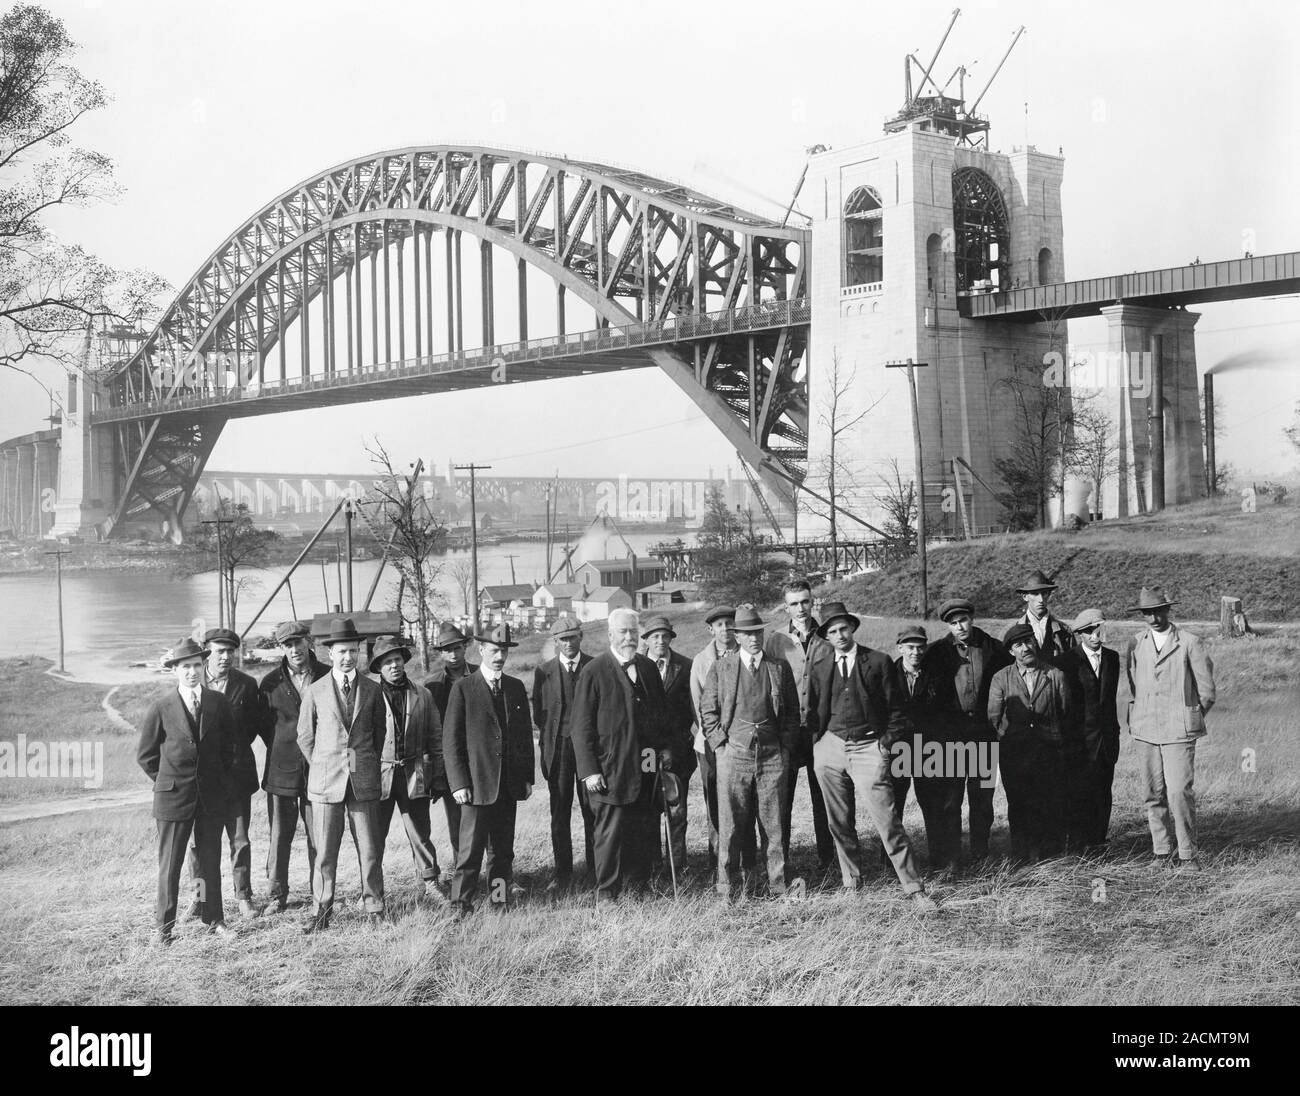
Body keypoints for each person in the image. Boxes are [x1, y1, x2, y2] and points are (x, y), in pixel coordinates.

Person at [806, 602, 938, 913]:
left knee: (888, 820)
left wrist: (884, 746)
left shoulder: (877, 662)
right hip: (831, 746)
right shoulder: (820, 666)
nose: (839, 635)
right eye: (832, 631)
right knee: (838, 821)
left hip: (869, 747)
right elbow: (812, 711)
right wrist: (819, 745)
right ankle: (852, 882)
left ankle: (913, 887)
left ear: (852, 629)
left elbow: (897, 711)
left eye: (843, 629)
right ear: (826, 635)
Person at [137, 637, 237, 944]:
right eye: (185, 667)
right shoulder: (161, 707)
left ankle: (213, 918)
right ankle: (163, 928)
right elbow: (147, 756)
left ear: (203, 665)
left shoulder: (218, 703)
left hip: (210, 798)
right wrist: (168, 782)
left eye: (196, 665)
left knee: (208, 860)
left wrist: (216, 780)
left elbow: (228, 749)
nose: (192, 672)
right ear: (175, 670)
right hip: (173, 798)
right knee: (171, 864)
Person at [699, 606, 803, 900]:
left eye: (758, 632)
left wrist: (784, 746)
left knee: (773, 824)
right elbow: (707, 710)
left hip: (772, 756)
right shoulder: (722, 667)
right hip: (734, 755)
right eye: (747, 633)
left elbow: (793, 714)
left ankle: (778, 886)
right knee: (730, 826)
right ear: (738, 636)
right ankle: (726, 888)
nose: (754, 638)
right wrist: (720, 745)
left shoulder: (778, 668)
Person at [572, 607, 674, 903]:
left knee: (642, 829)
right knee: (609, 834)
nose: (629, 637)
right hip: (608, 770)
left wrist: (664, 750)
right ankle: (607, 895)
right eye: (623, 632)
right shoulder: (593, 672)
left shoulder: (648, 668)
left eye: (633, 631)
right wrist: (589, 771)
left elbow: (661, 715)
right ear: (610, 635)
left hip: (645, 768)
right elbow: (580, 727)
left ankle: (638, 887)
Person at [296, 618, 387, 933]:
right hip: (325, 784)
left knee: (370, 848)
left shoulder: (373, 690)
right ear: (330, 653)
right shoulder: (315, 690)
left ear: (359, 651)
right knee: (325, 852)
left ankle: (375, 907)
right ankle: (322, 910)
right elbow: (305, 737)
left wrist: (361, 765)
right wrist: (324, 764)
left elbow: (378, 734)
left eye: (353, 650)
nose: (348, 657)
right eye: (341, 651)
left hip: (362, 783)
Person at [443, 624, 535, 915]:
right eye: (494, 650)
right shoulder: (463, 689)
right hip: (476, 784)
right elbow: (451, 740)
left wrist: (526, 778)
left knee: (502, 851)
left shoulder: (515, 687)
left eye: (504, 651)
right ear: (480, 650)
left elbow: (523, 739)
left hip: (507, 785)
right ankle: (461, 904)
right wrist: (458, 783)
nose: (499, 656)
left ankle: (498, 900)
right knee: (469, 850)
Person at [1126, 587, 1215, 871]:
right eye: (1147, 613)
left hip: (1179, 732)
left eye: (1158, 611)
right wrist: (1140, 714)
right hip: (1146, 731)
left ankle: (1188, 854)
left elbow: (1207, 692)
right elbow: (1133, 685)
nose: (1153, 618)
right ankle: (1161, 853)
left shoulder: (1190, 642)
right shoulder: (1136, 643)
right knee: (1153, 794)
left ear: (1168, 610)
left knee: (1179, 793)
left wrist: (1188, 715)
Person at [182, 627, 264, 922]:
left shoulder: (247, 684)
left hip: (237, 776)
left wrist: (231, 754)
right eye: (219, 651)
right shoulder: (193, 680)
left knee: (239, 840)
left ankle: (243, 897)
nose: (226, 657)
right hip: (202, 782)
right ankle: (199, 898)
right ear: (207, 653)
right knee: (199, 844)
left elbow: (252, 727)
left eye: (231, 651)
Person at [925, 599, 1011, 862]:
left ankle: (980, 851)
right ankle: (952, 855)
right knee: (951, 799)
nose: (959, 627)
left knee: (982, 799)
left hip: (984, 736)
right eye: (953, 623)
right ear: (947, 626)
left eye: (962, 620)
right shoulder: (936, 652)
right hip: (951, 738)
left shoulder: (994, 648)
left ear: (972, 618)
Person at [987, 623, 1079, 862]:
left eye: (1029, 642)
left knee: (1050, 803)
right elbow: (994, 717)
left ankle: (1052, 858)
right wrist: (1010, 741)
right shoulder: (1001, 678)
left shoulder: (1055, 675)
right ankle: (1022, 857)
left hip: (1049, 752)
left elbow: (1066, 711)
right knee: (1018, 805)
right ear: (1011, 651)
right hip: (1015, 754)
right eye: (1018, 645)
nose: (1025, 648)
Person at [370, 635, 449, 904]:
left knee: (420, 831)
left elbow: (435, 737)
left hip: (414, 773)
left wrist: (437, 775)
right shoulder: (368, 696)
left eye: (397, 660)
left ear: (404, 662)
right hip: (379, 776)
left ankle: (430, 883)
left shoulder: (422, 694)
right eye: (387, 662)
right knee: (373, 835)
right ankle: (370, 891)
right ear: (379, 667)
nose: (394, 666)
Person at [257, 620, 329, 914]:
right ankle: (277, 894)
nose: (295, 649)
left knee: (318, 835)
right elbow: (262, 726)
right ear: (281, 649)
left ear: (309, 642)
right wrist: (283, 745)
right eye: (288, 645)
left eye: (299, 642)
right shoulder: (270, 683)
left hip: (320, 770)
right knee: (279, 835)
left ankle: (320, 893)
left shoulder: (327, 675)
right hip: (281, 770)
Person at [764, 579, 835, 872]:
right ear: (786, 606)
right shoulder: (776, 640)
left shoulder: (828, 637)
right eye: (794, 603)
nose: (801, 608)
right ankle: (783, 861)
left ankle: (828, 857)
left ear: (813, 601)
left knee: (825, 797)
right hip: (790, 731)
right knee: (784, 798)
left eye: (805, 601)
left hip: (821, 730)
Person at [532, 615, 596, 891]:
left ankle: (596, 869)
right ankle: (563, 874)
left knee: (592, 810)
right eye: (563, 639)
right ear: (555, 642)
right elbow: (539, 714)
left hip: (588, 750)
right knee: (559, 812)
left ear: (581, 637)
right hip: (558, 749)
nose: (569, 644)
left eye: (573, 637)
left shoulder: (595, 666)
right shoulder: (543, 671)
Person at [893, 625, 962, 874]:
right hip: (896, 750)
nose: (916, 652)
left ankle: (940, 860)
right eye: (910, 647)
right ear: (900, 647)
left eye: (921, 646)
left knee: (933, 805)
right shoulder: (887, 673)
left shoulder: (937, 676)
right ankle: (890, 862)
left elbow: (947, 713)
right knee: (893, 806)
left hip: (927, 749)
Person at [690, 605, 753, 871]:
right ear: (711, 629)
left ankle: (748, 859)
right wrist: (716, 740)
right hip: (711, 745)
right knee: (716, 802)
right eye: (719, 625)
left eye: (729, 624)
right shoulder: (701, 661)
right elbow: (698, 706)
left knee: (744, 801)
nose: (725, 629)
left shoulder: (748, 656)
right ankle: (719, 859)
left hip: (743, 743)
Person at [1060, 609, 1121, 855]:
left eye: (1098, 630)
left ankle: (1098, 842)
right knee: (1078, 792)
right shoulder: (1066, 662)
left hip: (1106, 739)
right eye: (1088, 632)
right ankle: (1077, 844)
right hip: (1079, 741)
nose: (1094, 636)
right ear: (1079, 635)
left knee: (1103, 792)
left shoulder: (1113, 658)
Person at [641, 615, 696, 877]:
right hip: (647, 753)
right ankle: (652, 864)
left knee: (677, 811)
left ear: (671, 638)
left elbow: (693, 709)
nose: (660, 641)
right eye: (654, 637)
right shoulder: (636, 668)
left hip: (678, 752)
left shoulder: (686, 666)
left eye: (665, 636)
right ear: (646, 641)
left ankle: (678, 866)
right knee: (649, 810)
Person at [424, 621, 478, 871]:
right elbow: (430, 730)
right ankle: (464, 876)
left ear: (465, 647)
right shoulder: (432, 686)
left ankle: (498, 878)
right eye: (447, 650)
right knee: (457, 825)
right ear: (440, 652)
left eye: (457, 648)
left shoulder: (481, 675)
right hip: (450, 765)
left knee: (488, 822)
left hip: (481, 761)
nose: (453, 654)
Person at [1009, 569, 1074, 665]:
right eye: (1035, 594)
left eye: (1044, 593)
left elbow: (1073, 666)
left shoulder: (1064, 631)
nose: (1041, 599)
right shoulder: (1013, 630)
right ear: (1025, 597)